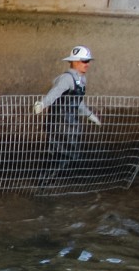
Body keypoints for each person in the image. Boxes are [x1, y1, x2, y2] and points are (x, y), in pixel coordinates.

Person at [32, 44, 100, 188]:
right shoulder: (66, 79)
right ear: (75, 62)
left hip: (70, 122)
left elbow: (78, 102)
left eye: (88, 61)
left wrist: (89, 115)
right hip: (59, 122)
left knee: (64, 152)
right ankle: (44, 182)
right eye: (84, 61)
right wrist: (42, 104)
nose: (87, 64)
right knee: (63, 152)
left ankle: (46, 181)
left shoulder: (81, 80)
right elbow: (54, 93)